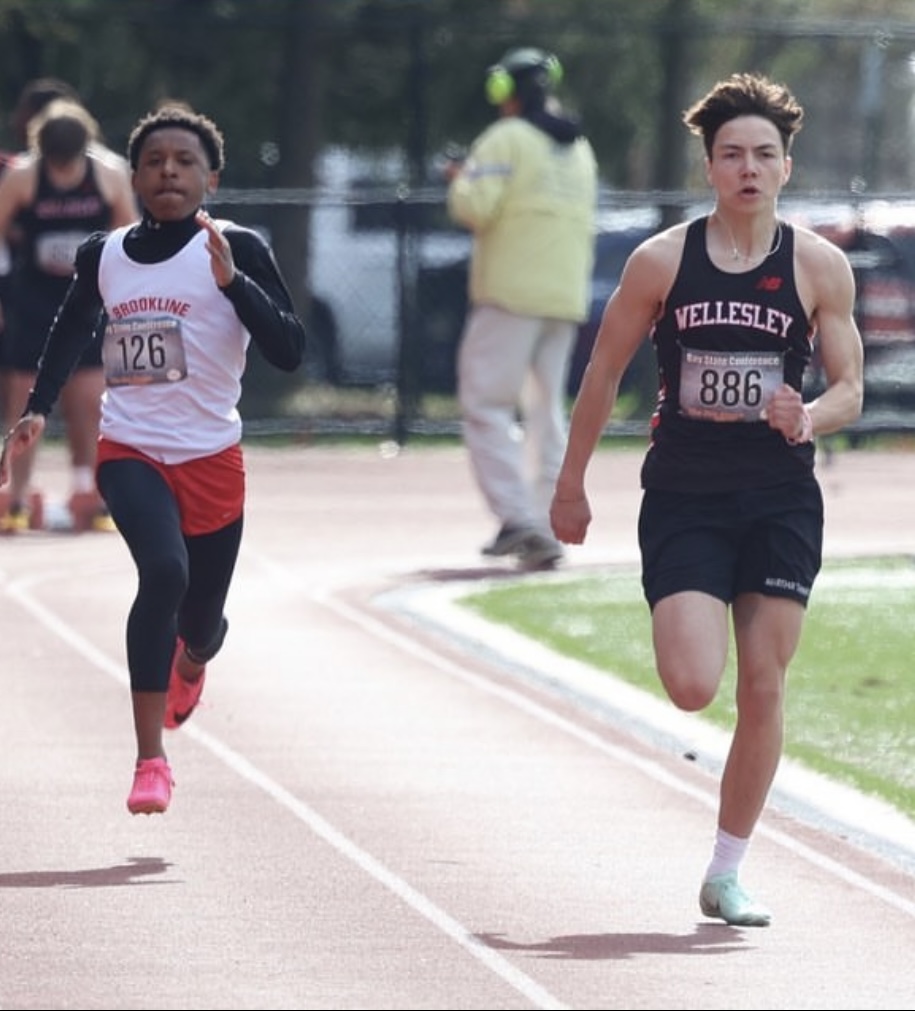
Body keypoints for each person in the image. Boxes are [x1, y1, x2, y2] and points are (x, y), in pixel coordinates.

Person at [549, 73, 864, 926]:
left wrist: (810, 415)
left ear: (786, 167)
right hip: (685, 493)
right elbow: (603, 370)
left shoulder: (816, 265)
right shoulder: (661, 261)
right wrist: (570, 481)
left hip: (777, 497)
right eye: (732, 155)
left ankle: (726, 870)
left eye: (764, 154)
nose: (748, 169)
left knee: (762, 683)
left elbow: (849, 388)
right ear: (709, 166)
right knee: (692, 685)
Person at [0, 105, 305, 815]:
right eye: (155, 160)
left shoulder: (238, 247)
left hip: (212, 458)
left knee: (200, 621)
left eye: (185, 160)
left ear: (211, 177)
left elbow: (291, 350)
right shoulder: (103, 255)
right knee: (162, 572)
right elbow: (73, 325)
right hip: (130, 449)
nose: (169, 170)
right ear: (133, 175)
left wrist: (234, 284)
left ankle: (193, 658)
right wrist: (39, 407)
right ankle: (150, 758)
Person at [446, 46, 597, 570]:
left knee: (487, 403)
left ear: (503, 92)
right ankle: (547, 520)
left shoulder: (504, 139)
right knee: (545, 411)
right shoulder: (579, 149)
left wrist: (460, 179)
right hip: (564, 296)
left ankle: (517, 518)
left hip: (510, 293)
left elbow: (474, 207)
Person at [0, 97, 137, 532]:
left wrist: (123, 297)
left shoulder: (108, 175)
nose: (61, 172)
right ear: (42, 149)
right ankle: (17, 497)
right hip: (33, 300)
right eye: (55, 162)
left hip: (87, 301)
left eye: (69, 162)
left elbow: (128, 235)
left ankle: (92, 495)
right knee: (25, 401)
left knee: (90, 400)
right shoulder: (23, 177)